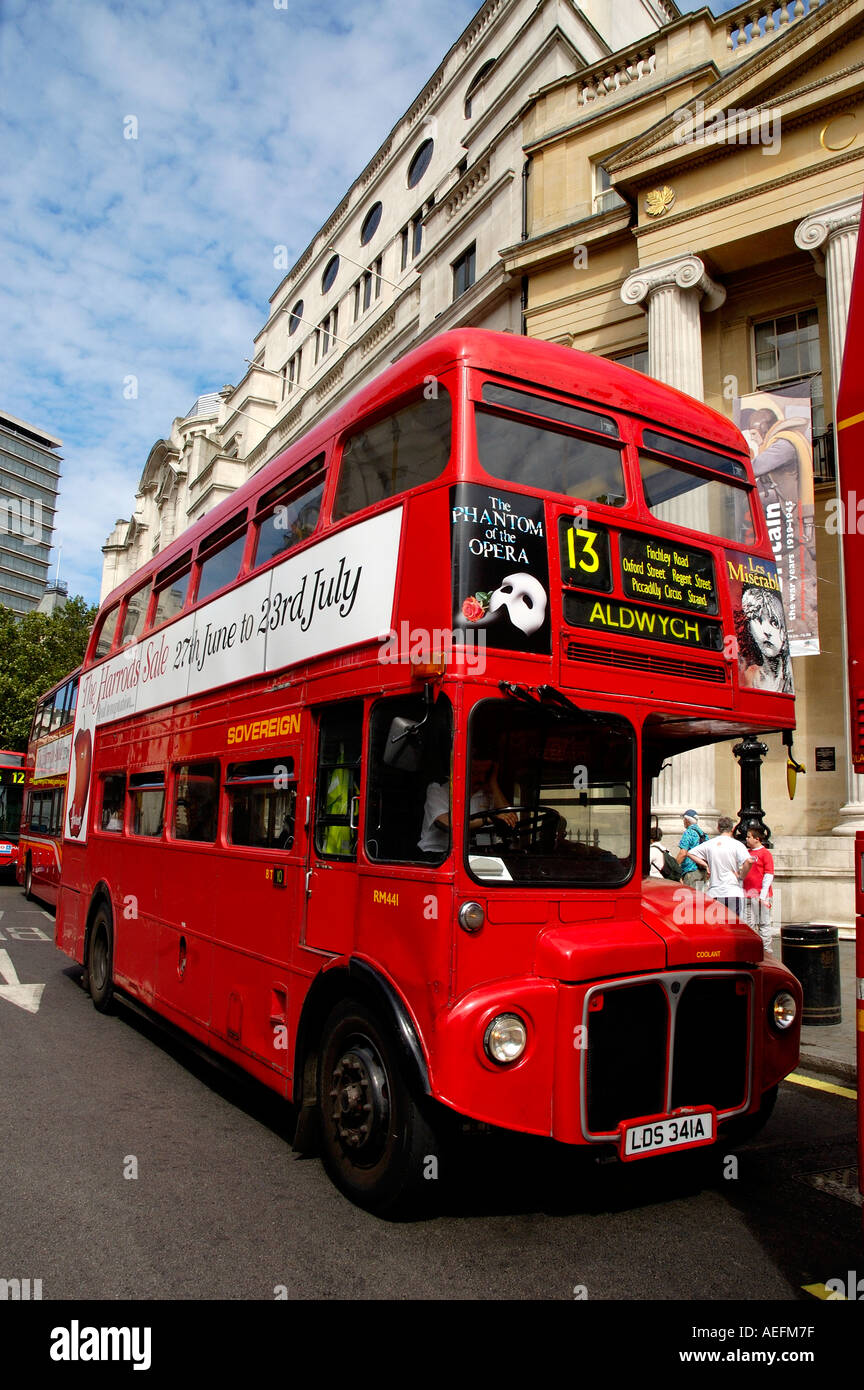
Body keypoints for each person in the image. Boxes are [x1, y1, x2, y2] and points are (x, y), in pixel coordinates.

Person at [418, 755, 517, 856]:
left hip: (473, 853)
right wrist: (487, 819)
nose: (481, 779)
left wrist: (493, 782)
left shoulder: (488, 793)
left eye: (485, 773)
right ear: (462, 770)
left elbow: (509, 817)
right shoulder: (439, 789)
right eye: (476, 773)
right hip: (438, 853)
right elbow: (447, 823)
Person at [690, 816, 753, 918]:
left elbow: (691, 853)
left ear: (718, 828)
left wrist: (706, 865)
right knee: (734, 927)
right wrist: (741, 876)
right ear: (732, 829)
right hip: (732, 891)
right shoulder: (737, 844)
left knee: (718, 927)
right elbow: (749, 861)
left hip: (715, 892)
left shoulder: (709, 844)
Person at [736, 586, 793, 694]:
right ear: (749, 627)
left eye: (774, 622)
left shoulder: (789, 678)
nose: (766, 631)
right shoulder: (748, 676)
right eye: (757, 620)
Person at [742, 825, 775, 954]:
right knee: (747, 924)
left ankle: (766, 951)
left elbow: (768, 874)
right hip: (747, 894)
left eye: (749, 836)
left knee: (763, 924)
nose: (746, 839)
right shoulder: (747, 853)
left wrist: (763, 894)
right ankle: (751, 948)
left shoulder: (765, 853)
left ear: (757, 838)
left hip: (760, 895)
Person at [676, 809, 707, 888]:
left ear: (687, 820)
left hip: (691, 871)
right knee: (699, 899)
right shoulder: (703, 834)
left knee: (690, 898)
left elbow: (683, 853)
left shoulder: (688, 832)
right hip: (702, 871)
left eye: (684, 819)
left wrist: (674, 867)